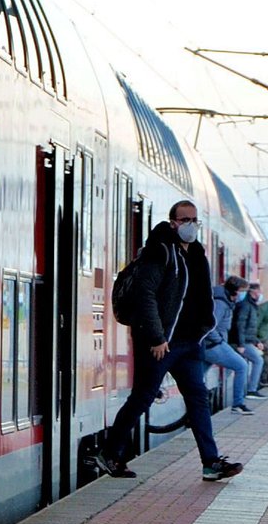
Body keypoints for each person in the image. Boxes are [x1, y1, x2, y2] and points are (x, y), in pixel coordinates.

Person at [97, 200, 243, 481]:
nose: (190, 225)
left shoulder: (197, 253)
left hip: (190, 341)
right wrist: (156, 336)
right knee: (143, 397)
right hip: (161, 342)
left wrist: (202, 330)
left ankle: (211, 463)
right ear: (173, 221)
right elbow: (145, 294)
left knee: (198, 398)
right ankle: (110, 452)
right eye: (184, 219)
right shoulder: (159, 250)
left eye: (194, 219)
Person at [199, 275, 255, 413]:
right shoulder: (220, 303)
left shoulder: (224, 301)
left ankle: (196, 407)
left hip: (209, 345)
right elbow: (210, 325)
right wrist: (218, 340)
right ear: (235, 291)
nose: (244, 294)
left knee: (198, 376)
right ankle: (238, 404)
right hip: (213, 345)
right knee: (241, 366)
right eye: (243, 290)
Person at [232, 278, 265, 401]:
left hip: (246, 340)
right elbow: (240, 325)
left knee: (248, 363)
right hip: (242, 342)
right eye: (260, 292)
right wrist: (240, 344)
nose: (261, 295)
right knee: (258, 361)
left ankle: (249, 390)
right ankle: (251, 390)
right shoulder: (246, 306)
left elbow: (249, 328)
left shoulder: (250, 305)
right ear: (254, 292)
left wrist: (257, 341)